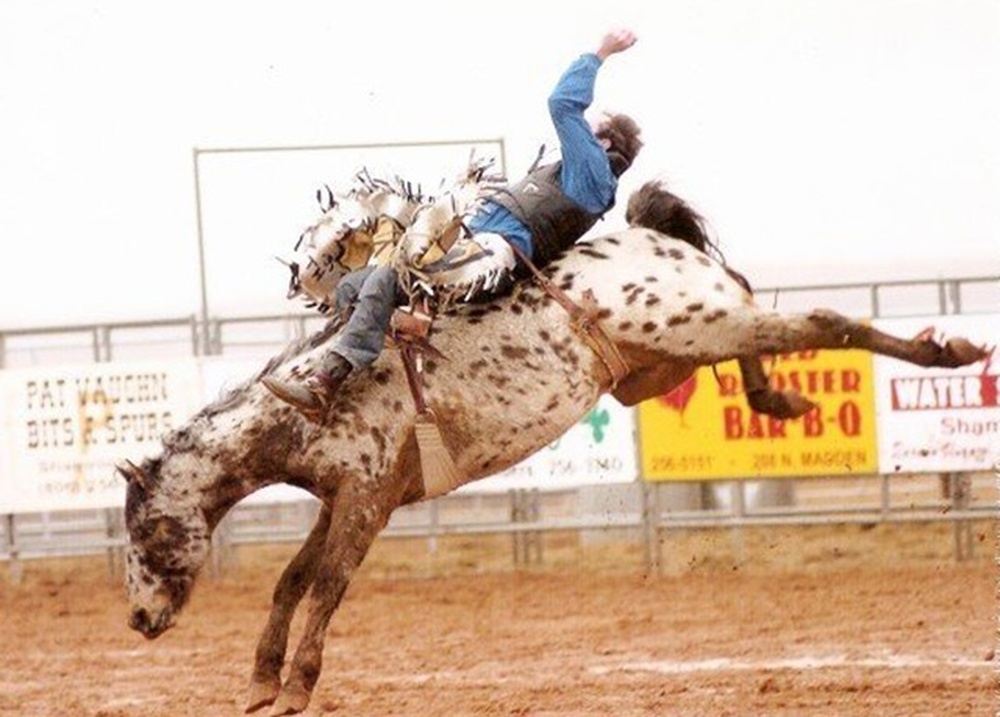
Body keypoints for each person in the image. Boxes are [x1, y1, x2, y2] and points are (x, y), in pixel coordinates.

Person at [262, 28, 643, 415]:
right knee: (349, 288)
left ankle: (326, 382)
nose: (581, 127)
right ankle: (365, 368)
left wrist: (600, 52)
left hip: (494, 256)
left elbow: (562, 103)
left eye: (593, 125)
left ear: (606, 143)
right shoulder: (580, 174)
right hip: (474, 247)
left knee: (385, 278)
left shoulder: (593, 172)